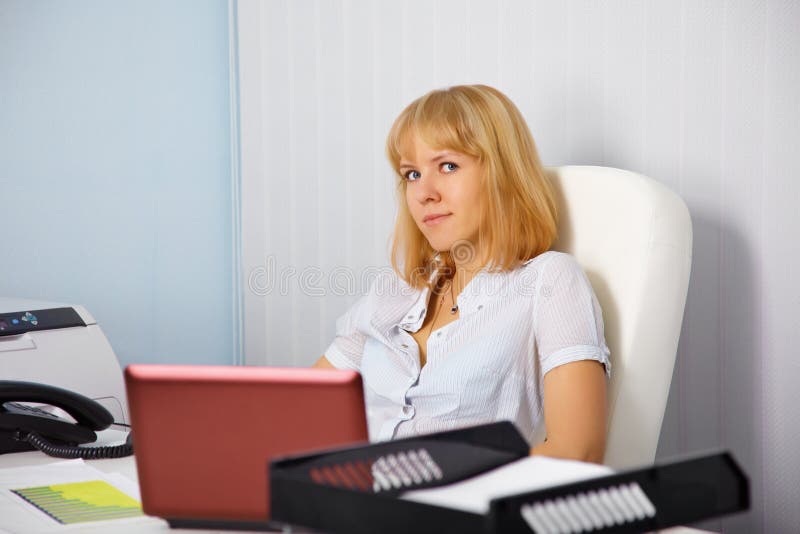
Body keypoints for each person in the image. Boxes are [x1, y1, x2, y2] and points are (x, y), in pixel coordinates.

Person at [314, 84, 610, 463]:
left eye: (448, 166)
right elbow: (301, 410)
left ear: (502, 174)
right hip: (340, 488)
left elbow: (578, 451)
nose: (424, 193)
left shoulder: (549, 281)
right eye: (412, 174)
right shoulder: (394, 291)